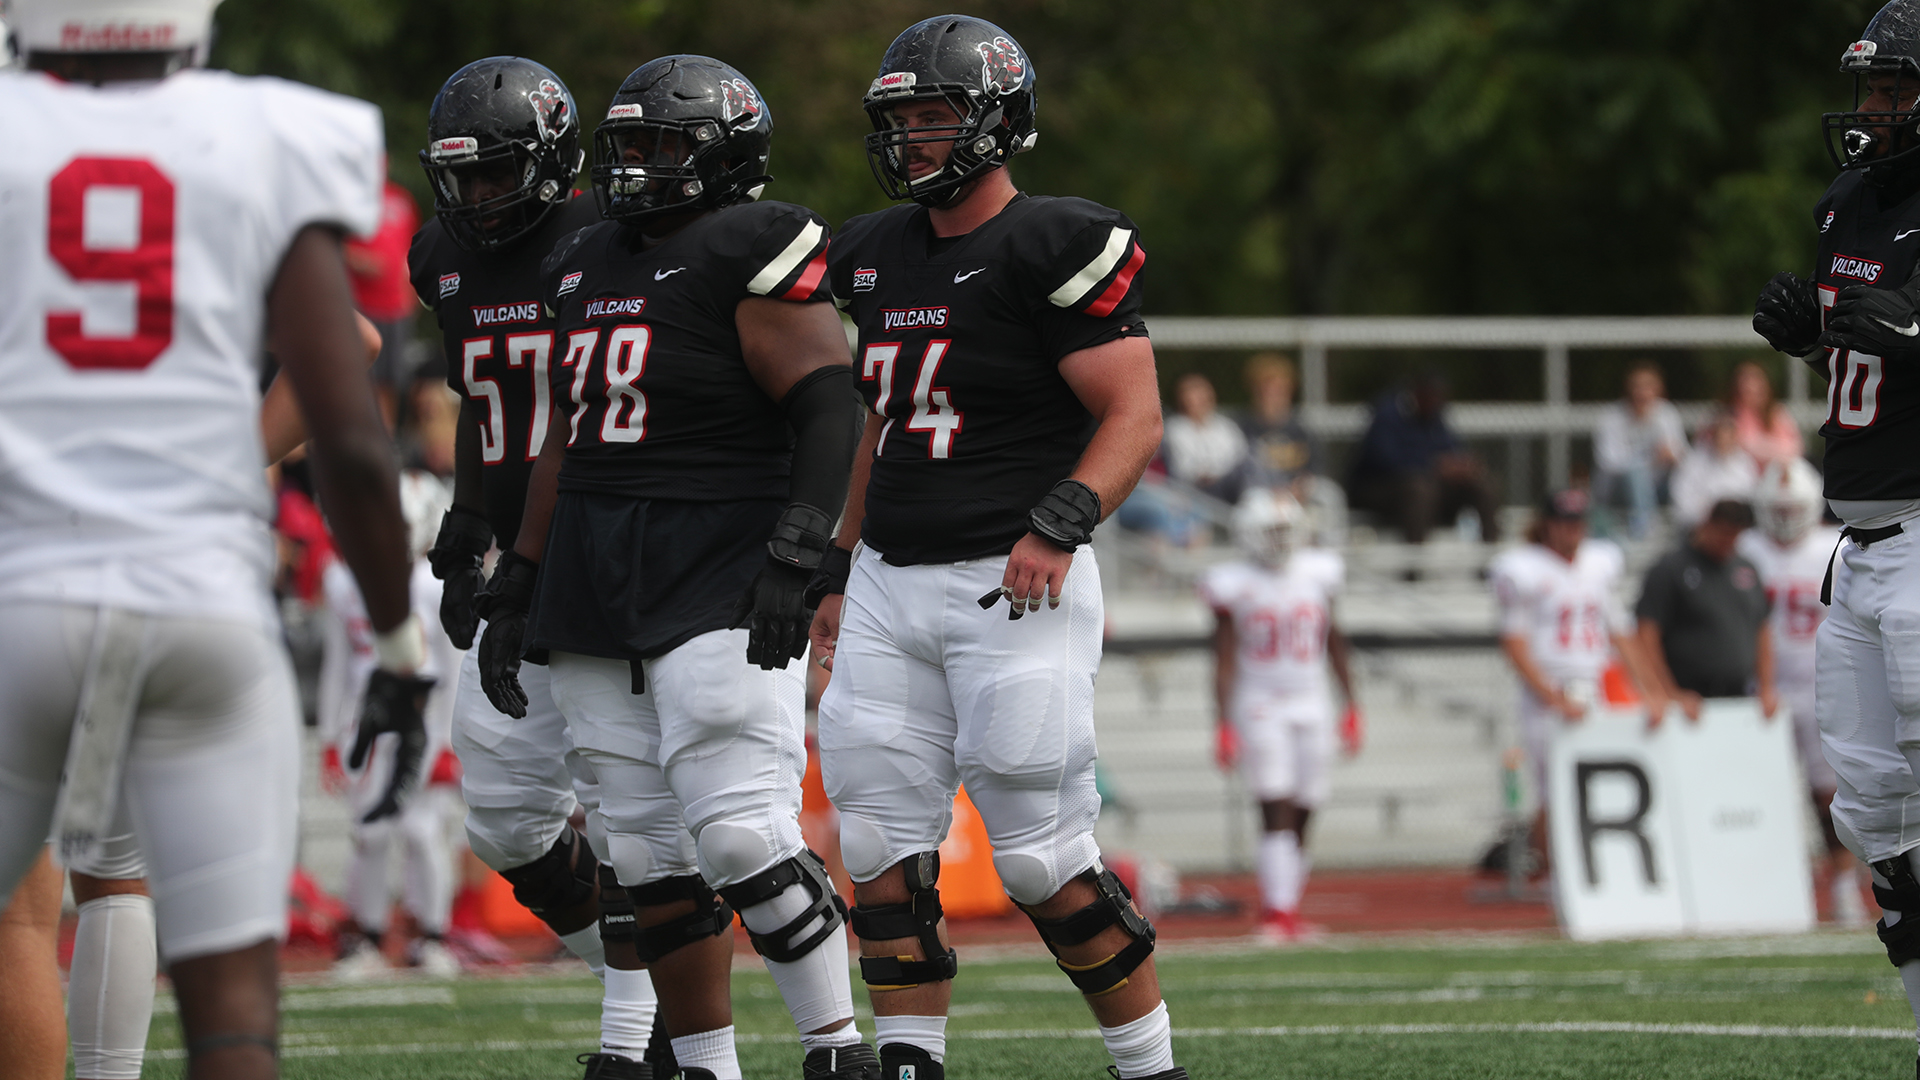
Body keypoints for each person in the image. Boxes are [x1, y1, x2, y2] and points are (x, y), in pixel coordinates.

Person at [0, 5, 428, 1080]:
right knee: (227, 1009)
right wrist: (398, 645)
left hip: (23, 578)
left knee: (17, 919)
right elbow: (356, 425)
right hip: (198, 588)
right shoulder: (264, 131)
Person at [476, 56, 875, 1080]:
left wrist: (801, 552)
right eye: (629, 146)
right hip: (596, 570)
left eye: (665, 144)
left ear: (726, 153)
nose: (641, 167)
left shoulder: (751, 242)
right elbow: (563, 440)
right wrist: (521, 579)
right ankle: (704, 1063)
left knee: (742, 835)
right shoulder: (583, 260)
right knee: (646, 857)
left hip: (717, 563)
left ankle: (836, 1048)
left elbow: (831, 401)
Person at [810, 17, 1186, 1080]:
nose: (915, 139)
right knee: (878, 850)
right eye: (902, 120)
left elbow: (1134, 412)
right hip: (888, 577)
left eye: (936, 116)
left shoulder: (1053, 241)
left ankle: (1150, 1068)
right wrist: (837, 565)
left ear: (998, 122)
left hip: (1011, 583)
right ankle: (912, 1062)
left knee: (1038, 859)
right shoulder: (872, 254)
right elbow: (875, 422)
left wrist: (1059, 522)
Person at [406, 56, 669, 1078]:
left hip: (607, 550)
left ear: (556, 166)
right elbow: (484, 400)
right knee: (506, 824)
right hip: (510, 558)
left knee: (632, 816)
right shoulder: (444, 258)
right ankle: (643, 979)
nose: (475, 199)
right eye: (461, 176)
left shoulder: (616, 241)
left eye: (496, 174)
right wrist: (471, 514)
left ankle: (639, 1035)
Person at [1752, 3, 1920, 1054]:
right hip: (1856, 548)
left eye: (1892, 88)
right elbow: (1858, 361)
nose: (1870, 109)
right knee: (1880, 833)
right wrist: (1807, 337)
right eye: (1867, 87)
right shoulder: (1846, 200)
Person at [320, 471, 465, 978]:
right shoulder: (343, 580)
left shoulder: (434, 584)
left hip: (423, 723)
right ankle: (368, 935)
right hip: (369, 720)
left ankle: (432, 935)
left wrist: (450, 741)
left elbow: (454, 669)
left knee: (423, 831)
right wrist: (329, 738)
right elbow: (338, 667)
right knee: (370, 832)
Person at [1200, 489, 1359, 943]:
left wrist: (1352, 705)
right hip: (1260, 700)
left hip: (1311, 697)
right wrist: (1223, 722)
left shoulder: (1317, 573)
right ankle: (1277, 912)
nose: (1279, 539)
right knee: (1275, 803)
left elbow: (1335, 639)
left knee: (1307, 805)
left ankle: (1287, 906)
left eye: (1285, 530)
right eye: (1271, 530)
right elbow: (1224, 657)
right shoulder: (1234, 581)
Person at [1489, 490, 1664, 869]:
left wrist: (1650, 691)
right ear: (1548, 525)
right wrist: (1552, 697)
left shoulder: (1598, 564)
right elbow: (1514, 643)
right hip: (1549, 691)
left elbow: (1620, 634)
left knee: (1591, 783)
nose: (1572, 531)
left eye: (1578, 522)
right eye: (1565, 522)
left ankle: (1586, 871)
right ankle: (1555, 873)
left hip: (1592, 685)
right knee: (1552, 789)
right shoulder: (1524, 568)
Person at [1738, 461, 1865, 924]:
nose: (1787, 517)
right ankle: (1763, 884)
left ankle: (1843, 882)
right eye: (1778, 508)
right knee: (1757, 792)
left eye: (1794, 507)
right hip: (1760, 688)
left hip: (1821, 684)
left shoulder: (1835, 545)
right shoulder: (1746, 547)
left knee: (1829, 792)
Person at [1633, 500, 1776, 721]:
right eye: (1724, 533)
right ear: (1708, 525)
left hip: (1739, 697)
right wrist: (1668, 692)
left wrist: (1766, 687)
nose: (1728, 541)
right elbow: (1647, 633)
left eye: (1735, 535)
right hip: (1689, 700)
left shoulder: (1746, 569)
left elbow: (1762, 629)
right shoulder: (1671, 568)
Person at [1348, 371, 1498, 544]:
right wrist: (1434, 466)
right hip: (1378, 488)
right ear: (1418, 394)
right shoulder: (1387, 414)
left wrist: (1463, 466)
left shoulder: (1436, 418)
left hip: (1428, 486)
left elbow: (1453, 450)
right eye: (1432, 396)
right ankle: (1415, 562)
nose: (1437, 402)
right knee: (1419, 489)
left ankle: (1490, 557)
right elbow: (1384, 460)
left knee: (1484, 486)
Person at [347, 179, 422, 426]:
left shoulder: (401, 199)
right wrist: (360, 260)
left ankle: (384, 448)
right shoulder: (349, 197)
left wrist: (412, 293)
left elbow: (411, 248)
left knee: (390, 383)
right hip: (362, 305)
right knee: (360, 381)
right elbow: (330, 247)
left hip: (396, 308)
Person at [1591, 361, 1689, 539]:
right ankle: (1644, 528)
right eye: (1638, 387)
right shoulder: (1612, 417)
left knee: (1684, 473)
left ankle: (1685, 523)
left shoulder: (1666, 414)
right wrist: (1649, 461)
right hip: (1618, 490)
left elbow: (1684, 456)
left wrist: (1671, 455)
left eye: (1648, 387)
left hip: (1659, 487)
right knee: (1635, 471)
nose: (1642, 393)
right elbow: (1607, 463)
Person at [1238, 353, 1319, 491]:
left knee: (1329, 494)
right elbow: (1242, 476)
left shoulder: (1301, 432)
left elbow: (1314, 471)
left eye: (1279, 389)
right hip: (1260, 493)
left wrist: (1298, 488)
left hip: (1297, 492)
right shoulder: (1242, 430)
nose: (1272, 395)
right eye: (1266, 390)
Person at [1161, 371, 1246, 503]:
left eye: (1201, 392)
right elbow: (1181, 468)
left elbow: (1240, 459)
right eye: (1191, 393)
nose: (1197, 399)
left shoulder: (1227, 427)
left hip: (1229, 487)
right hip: (1191, 490)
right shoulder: (1174, 429)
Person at [1667, 413, 1758, 527]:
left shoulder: (1745, 463)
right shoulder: (1693, 462)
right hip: (1701, 526)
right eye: (1719, 434)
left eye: (1728, 435)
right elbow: (1682, 500)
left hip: (1736, 526)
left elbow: (1750, 496)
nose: (1723, 440)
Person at [1723, 359, 1803, 466]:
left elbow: (1794, 448)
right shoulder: (1730, 415)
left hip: (1774, 471)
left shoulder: (1777, 413)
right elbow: (1741, 445)